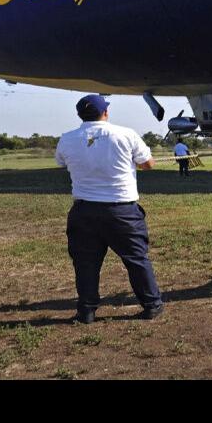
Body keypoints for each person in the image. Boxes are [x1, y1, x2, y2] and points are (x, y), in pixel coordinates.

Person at [55, 94, 164, 322]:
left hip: (83, 210)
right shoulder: (125, 134)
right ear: (105, 112)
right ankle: (151, 305)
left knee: (85, 263)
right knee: (136, 259)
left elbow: (62, 162)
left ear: (79, 115)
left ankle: (86, 310)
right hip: (121, 210)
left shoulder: (67, 139)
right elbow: (148, 164)